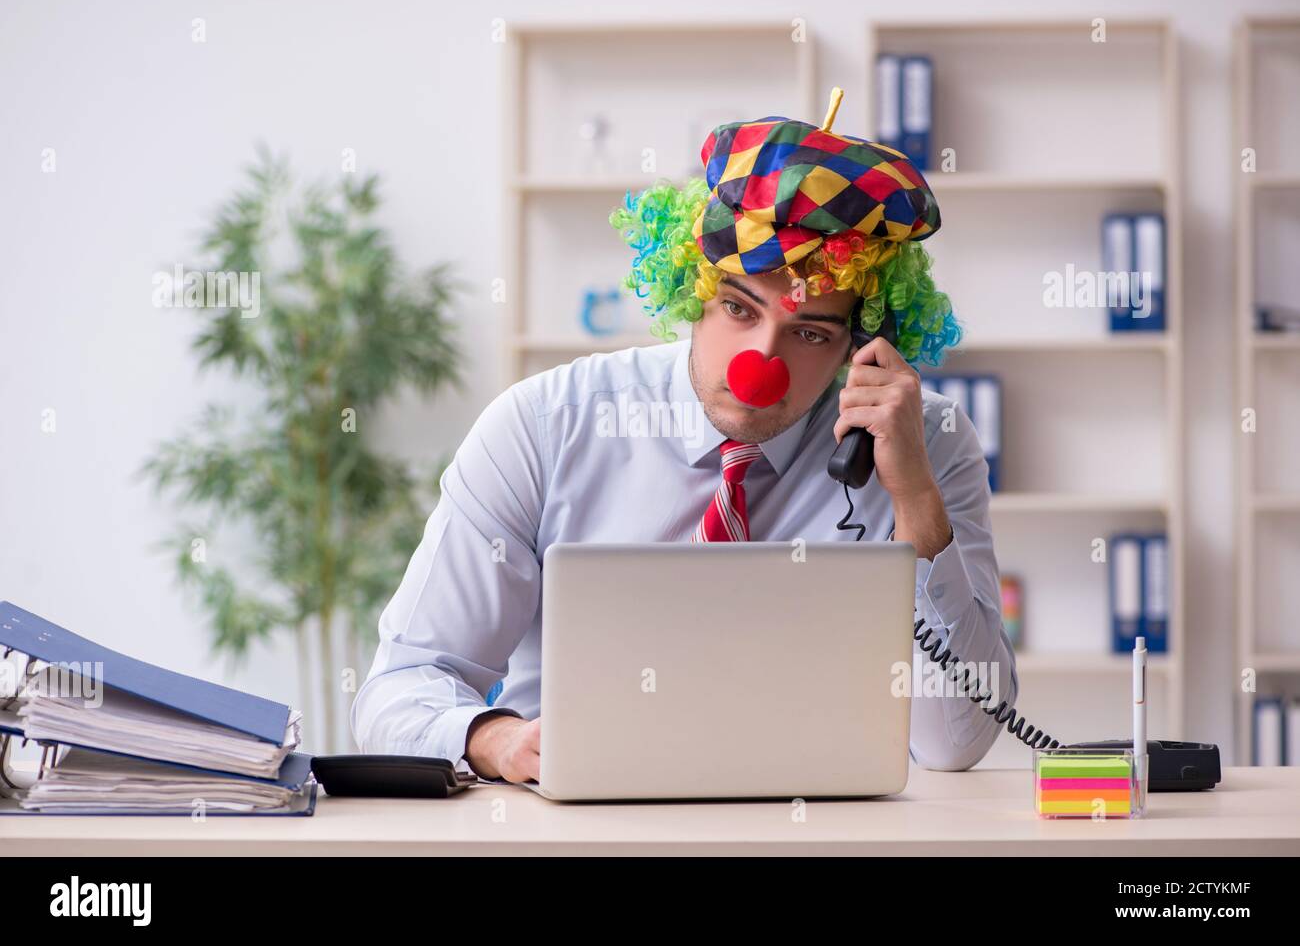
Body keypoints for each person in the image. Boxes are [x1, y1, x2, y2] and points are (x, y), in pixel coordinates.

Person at [350, 92, 1017, 782]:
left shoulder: (926, 441)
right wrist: (495, 738)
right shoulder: (542, 427)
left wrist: (912, 496)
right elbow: (397, 689)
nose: (760, 364)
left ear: (866, 342)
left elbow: (956, 742)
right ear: (690, 288)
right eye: (737, 307)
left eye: (812, 332)